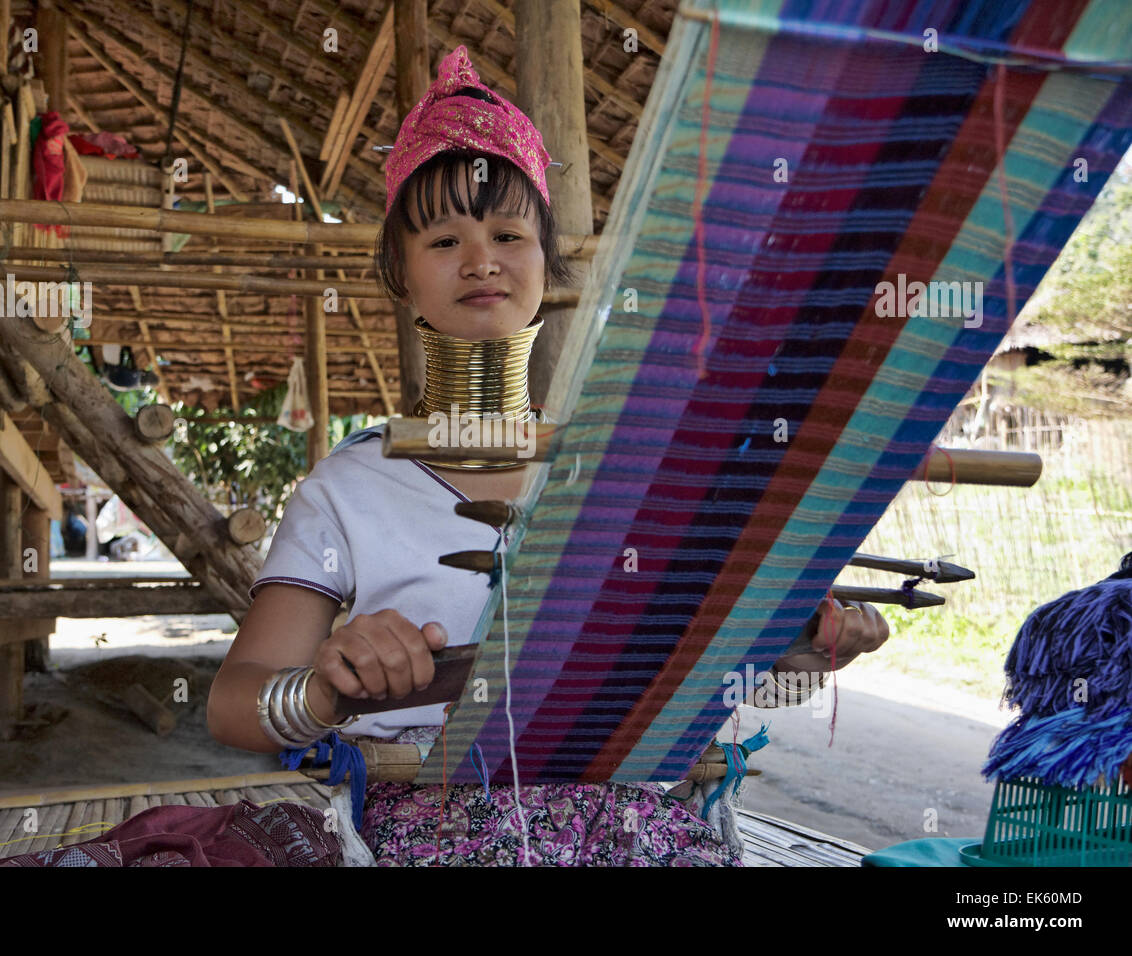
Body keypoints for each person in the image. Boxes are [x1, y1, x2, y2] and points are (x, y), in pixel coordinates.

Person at [207, 46, 890, 866]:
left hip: (630, 822)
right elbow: (232, 702)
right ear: (398, 270)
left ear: (546, 259)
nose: (482, 259)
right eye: (443, 239)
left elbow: (700, 685)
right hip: (433, 826)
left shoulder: (622, 473)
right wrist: (323, 688)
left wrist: (797, 652)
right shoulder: (350, 487)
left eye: (507, 233)